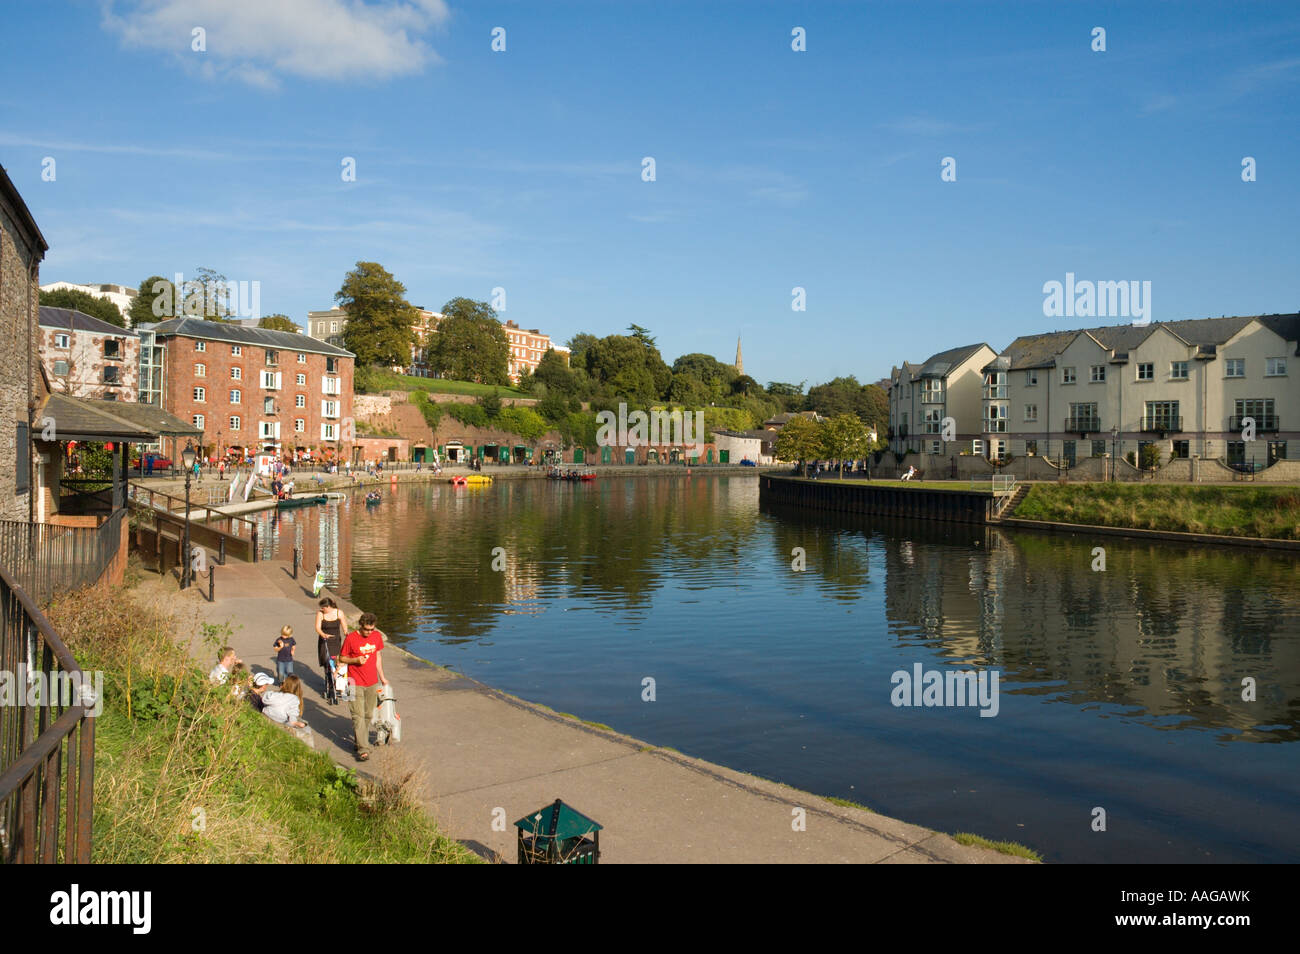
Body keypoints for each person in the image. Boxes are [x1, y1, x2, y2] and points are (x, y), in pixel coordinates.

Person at [339, 613, 389, 761]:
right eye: (366, 629)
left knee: (368, 715)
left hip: (372, 681)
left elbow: (378, 657)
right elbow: (342, 658)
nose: (369, 632)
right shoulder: (351, 638)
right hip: (353, 682)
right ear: (361, 626)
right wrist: (355, 660)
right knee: (357, 715)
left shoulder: (376, 636)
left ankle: (358, 740)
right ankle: (363, 748)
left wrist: (382, 677)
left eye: (371, 629)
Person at [315, 598, 347, 702]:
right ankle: (329, 683)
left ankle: (339, 684)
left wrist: (347, 635)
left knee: (338, 662)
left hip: (336, 641)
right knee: (327, 662)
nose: (322, 609)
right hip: (325, 641)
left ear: (328, 607)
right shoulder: (320, 614)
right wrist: (323, 634)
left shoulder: (339, 613)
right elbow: (317, 627)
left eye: (323, 607)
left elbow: (345, 627)